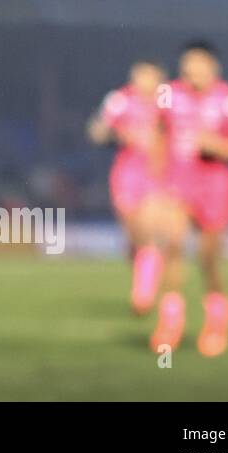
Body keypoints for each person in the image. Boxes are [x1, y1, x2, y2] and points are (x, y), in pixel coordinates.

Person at [151, 41, 228, 357]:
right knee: (172, 247)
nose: (192, 71)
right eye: (187, 65)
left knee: (208, 260)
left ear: (214, 67)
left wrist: (219, 146)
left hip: (214, 186)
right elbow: (157, 133)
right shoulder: (169, 94)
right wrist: (156, 177)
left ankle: (216, 322)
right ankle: (169, 323)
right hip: (177, 184)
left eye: (199, 64)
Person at [87, 60, 167, 313]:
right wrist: (115, 133)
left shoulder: (167, 100)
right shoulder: (120, 99)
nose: (143, 81)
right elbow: (97, 130)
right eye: (139, 76)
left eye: (149, 76)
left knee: (149, 230)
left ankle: (143, 292)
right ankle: (142, 268)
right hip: (127, 174)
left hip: (158, 173)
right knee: (132, 233)